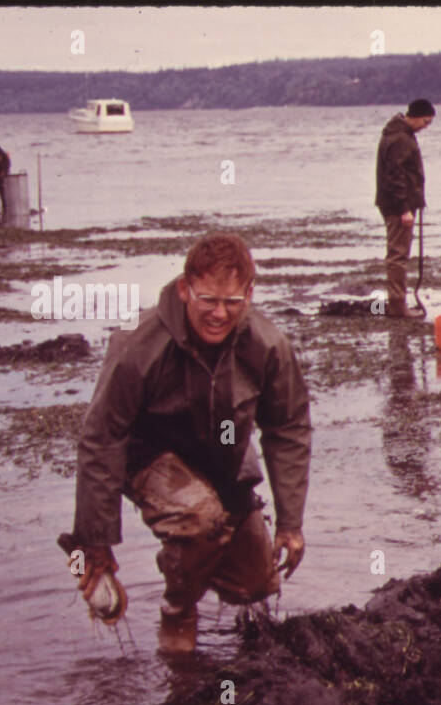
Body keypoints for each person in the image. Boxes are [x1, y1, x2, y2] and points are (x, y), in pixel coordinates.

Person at [61, 233, 313, 655]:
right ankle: (178, 609)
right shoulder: (136, 344)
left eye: (232, 302)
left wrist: (290, 524)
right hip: (150, 456)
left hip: (220, 458)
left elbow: (288, 428)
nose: (219, 314)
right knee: (199, 517)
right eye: (207, 300)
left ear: (249, 294)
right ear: (184, 289)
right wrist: (95, 542)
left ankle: (192, 559)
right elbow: (101, 439)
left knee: (257, 582)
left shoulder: (267, 345)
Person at [374, 99, 435, 319]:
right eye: (426, 121)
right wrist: (404, 209)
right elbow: (395, 176)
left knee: (398, 253)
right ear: (416, 116)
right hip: (398, 206)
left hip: (399, 203)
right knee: (398, 255)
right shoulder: (400, 138)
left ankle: (397, 302)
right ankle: (398, 306)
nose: (426, 126)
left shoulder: (400, 134)